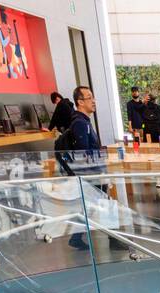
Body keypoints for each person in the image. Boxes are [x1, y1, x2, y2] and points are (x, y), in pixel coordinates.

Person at [60, 86, 101, 248]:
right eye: (89, 97)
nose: (93, 101)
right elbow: (83, 154)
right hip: (88, 175)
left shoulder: (83, 122)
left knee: (90, 207)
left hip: (91, 174)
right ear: (80, 102)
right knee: (98, 205)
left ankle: (76, 237)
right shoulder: (80, 123)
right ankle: (114, 239)